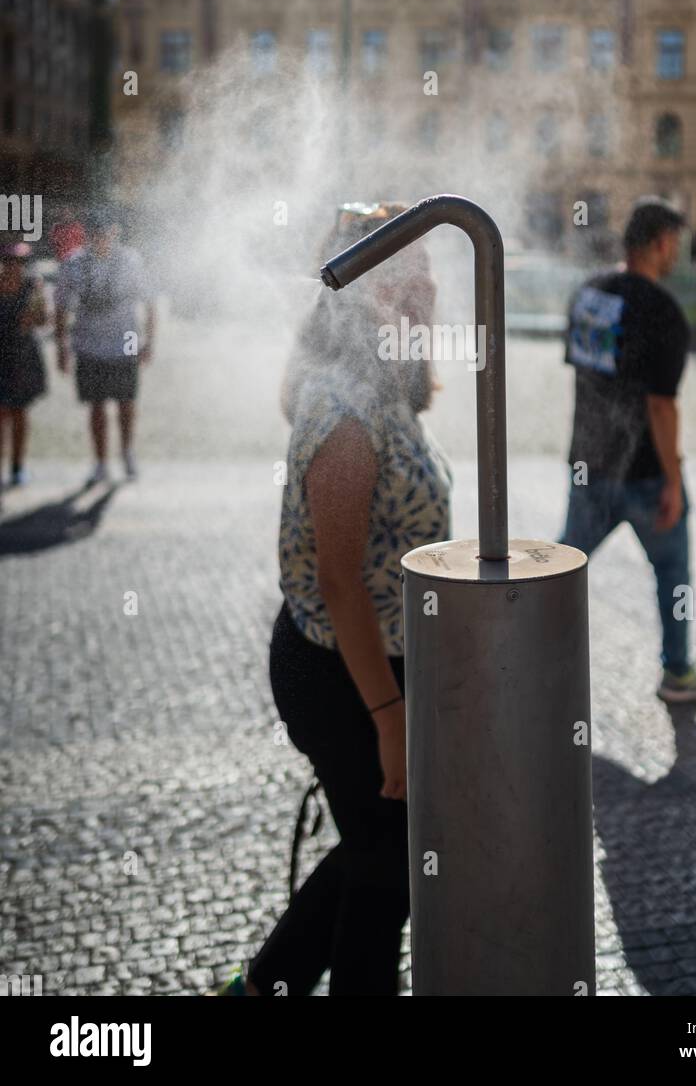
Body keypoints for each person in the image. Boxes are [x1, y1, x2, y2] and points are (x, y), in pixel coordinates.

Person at [210, 202, 452, 997]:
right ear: (366, 288)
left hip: (376, 666)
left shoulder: (384, 383)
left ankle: (267, 984)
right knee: (388, 866)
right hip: (340, 676)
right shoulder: (343, 409)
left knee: (380, 856)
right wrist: (389, 720)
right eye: (411, 273)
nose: (428, 285)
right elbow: (338, 583)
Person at [561, 196, 696, 705]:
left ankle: (525, 649)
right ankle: (676, 671)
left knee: (562, 567)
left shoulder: (589, 292)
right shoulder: (661, 310)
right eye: (674, 243)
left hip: (590, 464)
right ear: (660, 243)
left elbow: (582, 371)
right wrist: (674, 481)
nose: (675, 252)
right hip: (644, 474)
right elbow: (661, 407)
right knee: (673, 574)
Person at [54, 211, 155, 485]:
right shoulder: (73, 263)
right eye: (95, 232)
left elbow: (149, 301)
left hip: (125, 342)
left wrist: (149, 342)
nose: (101, 238)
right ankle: (100, 462)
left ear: (115, 233)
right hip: (89, 344)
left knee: (126, 403)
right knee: (96, 406)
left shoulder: (131, 261)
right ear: (88, 234)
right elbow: (61, 307)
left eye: (106, 231)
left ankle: (127, 453)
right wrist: (61, 349)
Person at [0, 243, 47, 486]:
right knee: (1, 414)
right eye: (8, 262)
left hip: (23, 356)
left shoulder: (32, 288)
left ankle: (17, 467)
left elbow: (42, 320)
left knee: (19, 413)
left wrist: (36, 302)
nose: (13, 267)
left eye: (18, 262)